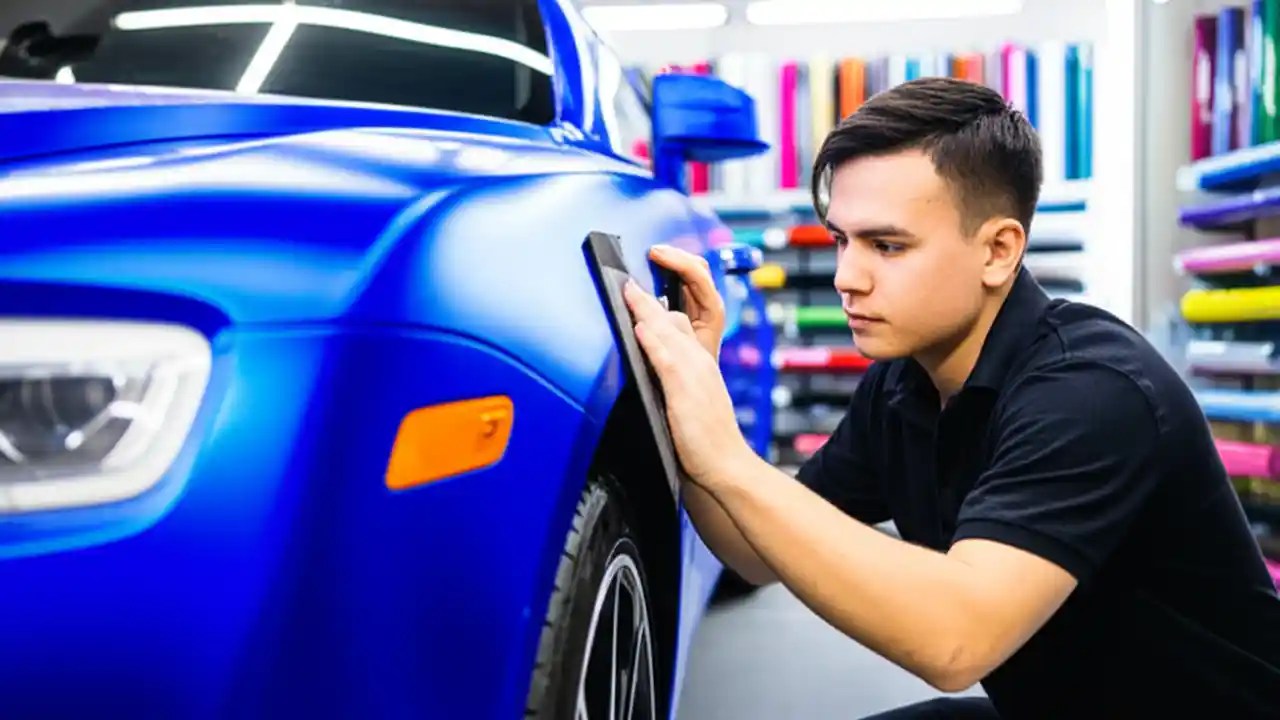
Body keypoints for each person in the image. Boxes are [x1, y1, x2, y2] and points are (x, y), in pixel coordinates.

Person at [623, 76, 1280, 718]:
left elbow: (954, 639)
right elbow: (752, 551)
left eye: (887, 245)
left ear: (998, 250)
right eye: (841, 241)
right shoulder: (902, 386)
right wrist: (693, 408)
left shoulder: (1093, 392)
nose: (848, 278)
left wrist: (729, 459)